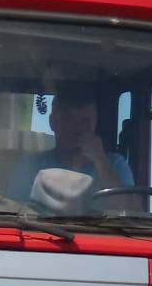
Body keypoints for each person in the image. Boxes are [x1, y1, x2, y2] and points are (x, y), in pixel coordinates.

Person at [9, 82, 134, 211]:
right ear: (53, 123)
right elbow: (15, 210)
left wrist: (100, 160)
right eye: (68, 119)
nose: (78, 129)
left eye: (85, 121)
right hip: (41, 230)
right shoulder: (33, 165)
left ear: (95, 123)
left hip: (100, 231)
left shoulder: (115, 164)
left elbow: (131, 212)